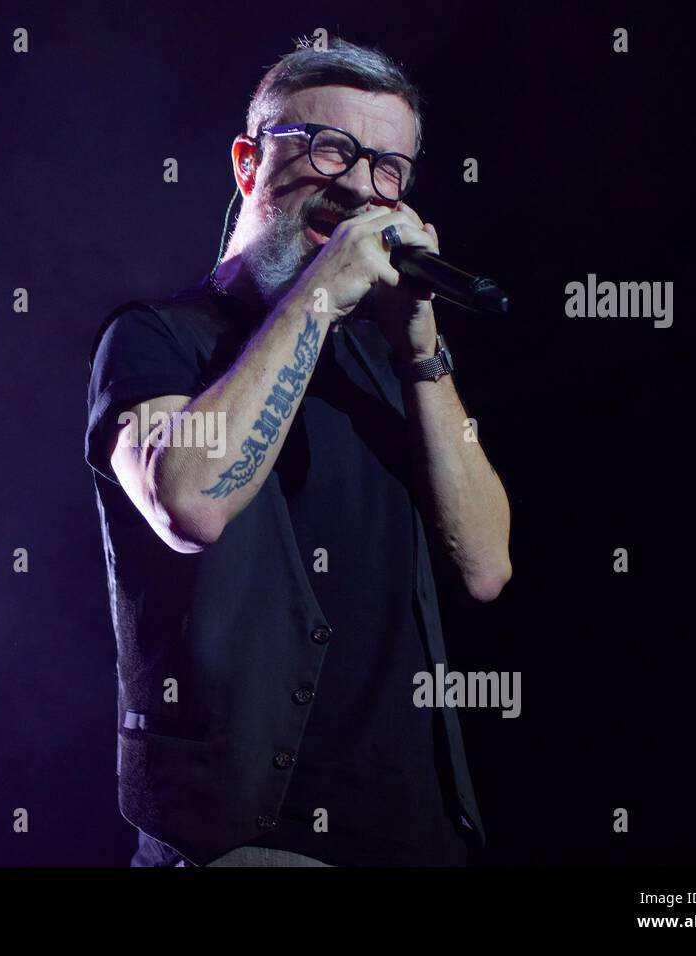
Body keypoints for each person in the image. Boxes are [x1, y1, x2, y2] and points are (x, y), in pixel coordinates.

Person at [84, 36, 512, 867]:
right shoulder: (156, 338)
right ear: (248, 164)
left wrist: (421, 346)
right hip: (251, 842)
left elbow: (487, 566)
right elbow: (191, 503)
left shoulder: (389, 366)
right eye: (329, 148)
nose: (358, 185)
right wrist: (319, 295)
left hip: (416, 834)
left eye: (388, 166)